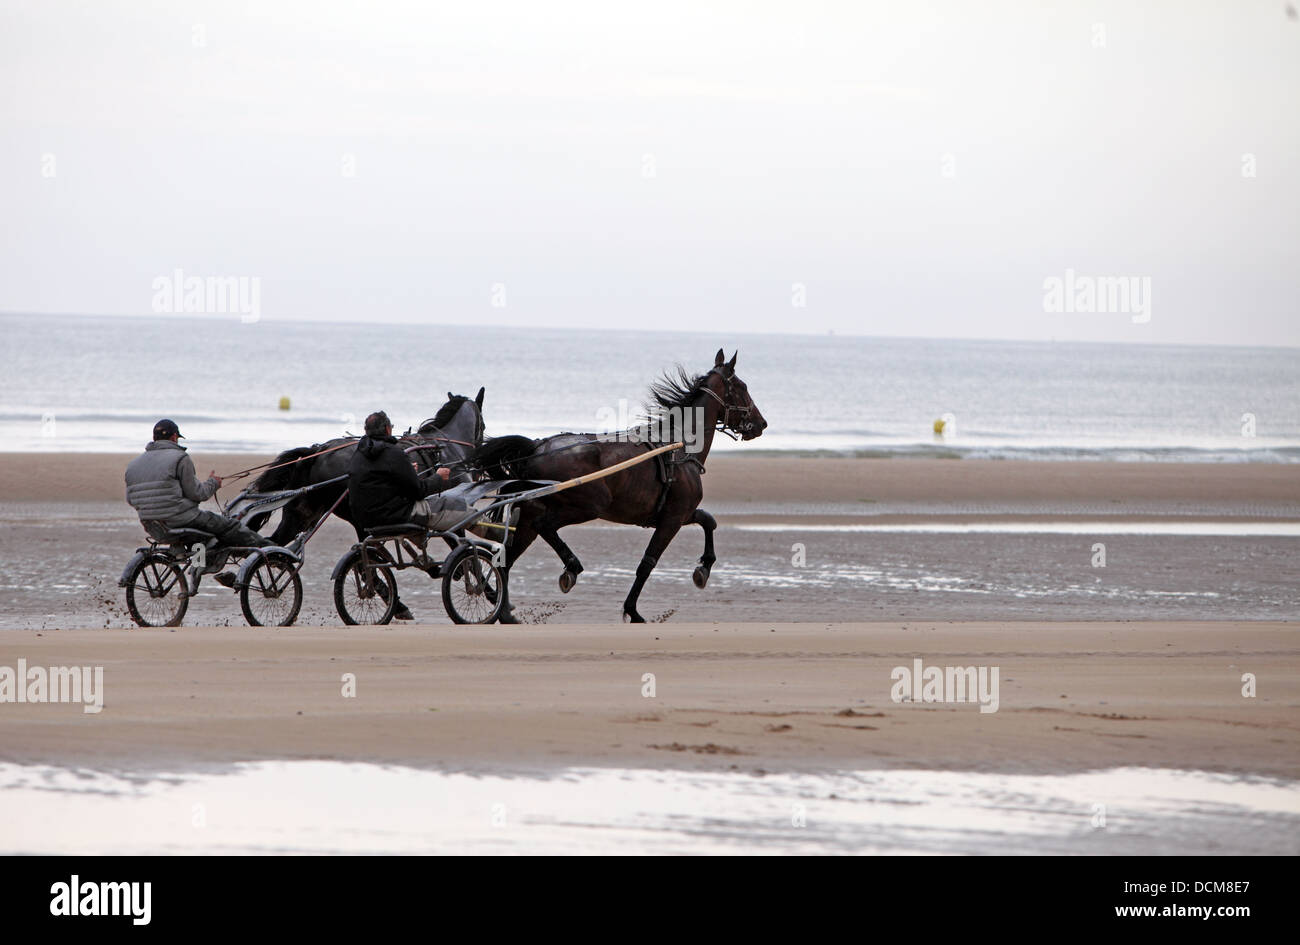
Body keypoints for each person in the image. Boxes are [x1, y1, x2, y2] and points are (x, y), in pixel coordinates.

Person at [125, 419, 272, 587]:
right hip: (182, 520)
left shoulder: (133, 464)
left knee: (202, 536)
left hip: (152, 524)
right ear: (174, 437)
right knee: (231, 527)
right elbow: (198, 494)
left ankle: (197, 563)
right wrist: (213, 483)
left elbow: (131, 499)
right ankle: (269, 552)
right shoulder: (180, 458)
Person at [348, 410, 468, 532]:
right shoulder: (394, 453)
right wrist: (438, 477)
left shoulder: (358, 455)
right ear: (387, 429)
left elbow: (380, 484)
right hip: (395, 516)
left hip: (364, 519)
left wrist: (407, 472)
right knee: (455, 505)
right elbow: (419, 492)